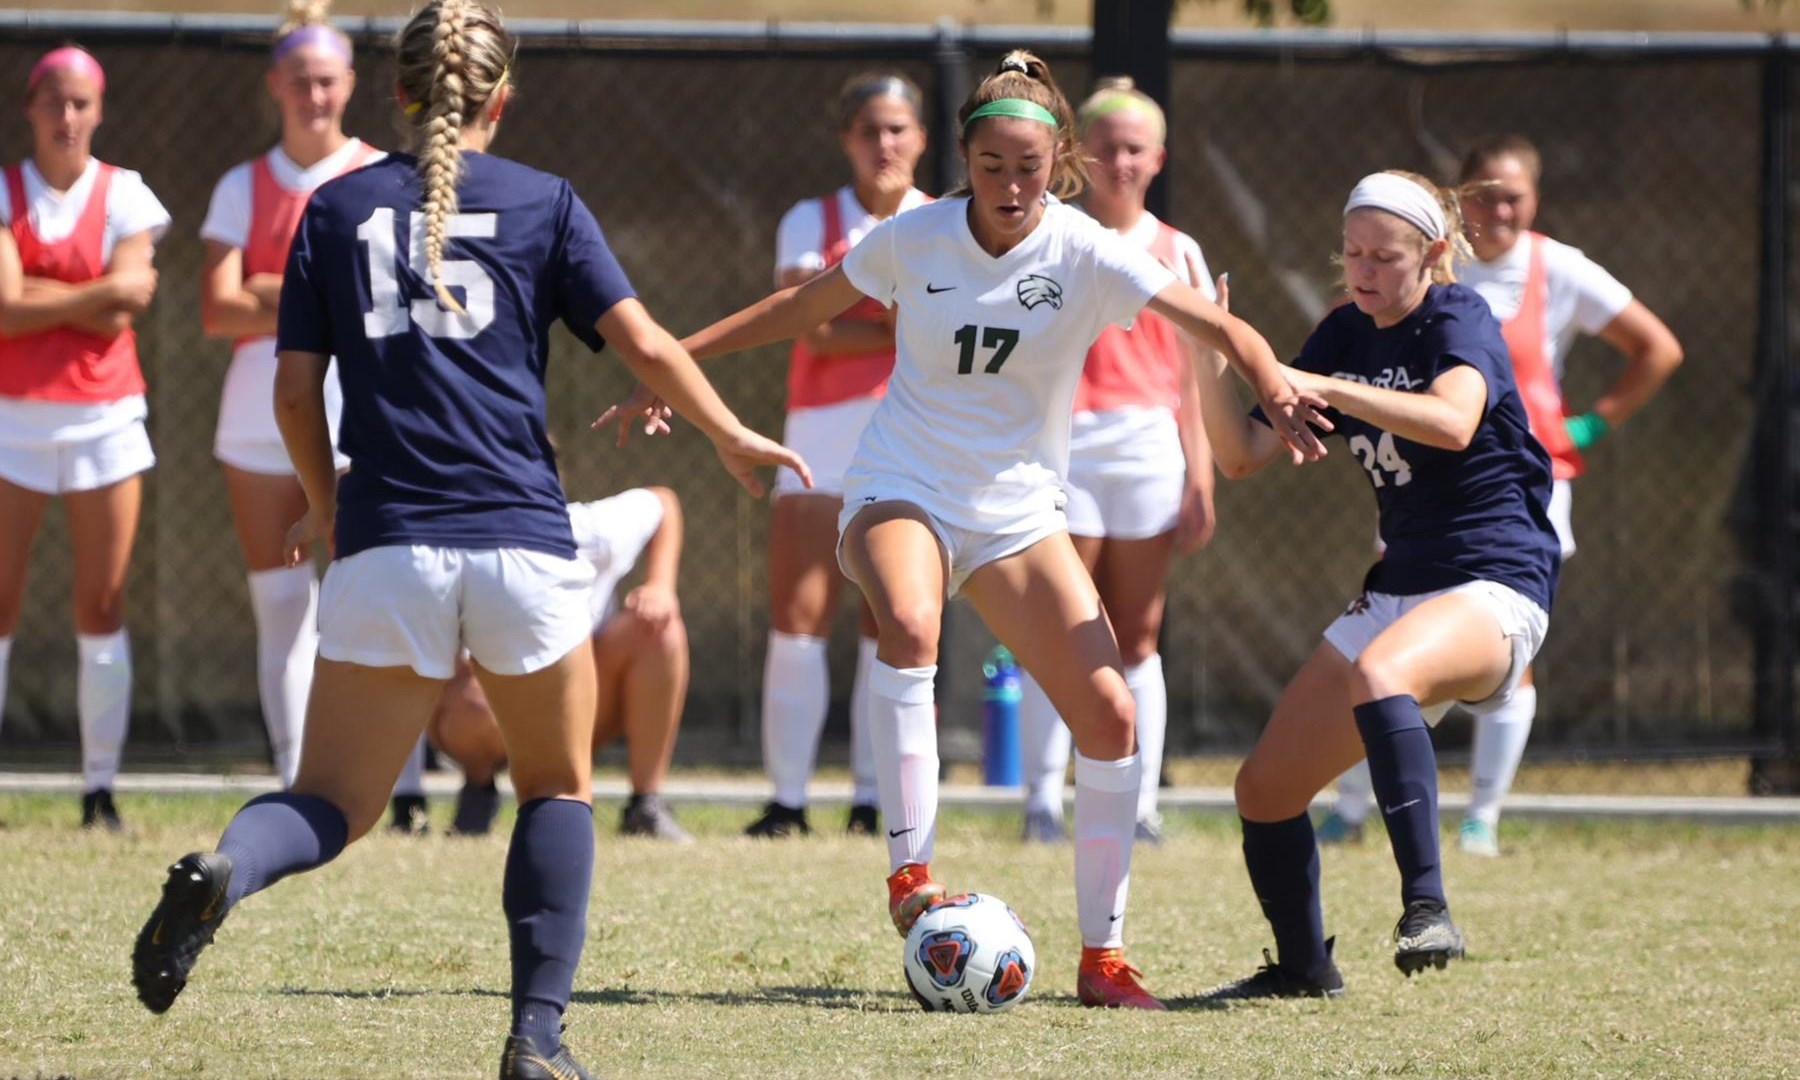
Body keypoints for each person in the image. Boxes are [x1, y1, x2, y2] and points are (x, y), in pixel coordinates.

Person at [128, 5, 806, 1077]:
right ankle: (537, 1037)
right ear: (502, 98)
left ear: (397, 94)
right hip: (522, 545)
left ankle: (228, 871)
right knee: (557, 789)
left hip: (389, 540)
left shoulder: (332, 206)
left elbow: (293, 392)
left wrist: (325, 503)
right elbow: (644, 341)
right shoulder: (547, 201)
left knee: (328, 803)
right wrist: (729, 434)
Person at [642, 50, 1325, 1010]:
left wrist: (1274, 381)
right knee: (909, 621)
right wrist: (668, 361)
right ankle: (910, 874)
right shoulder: (914, 236)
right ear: (963, 161)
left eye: (1029, 167)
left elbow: (1220, 327)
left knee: (1112, 714)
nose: (1010, 184)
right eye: (992, 165)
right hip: (903, 483)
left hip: (1019, 510)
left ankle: (1105, 960)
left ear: (1060, 164)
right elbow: (800, 307)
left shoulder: (1086, 249)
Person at [1197, 171, 1559, 999]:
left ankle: (1427, 906)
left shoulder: (1457, 316)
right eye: (1352, 252)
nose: (1362, 269)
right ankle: (1303, 969)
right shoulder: (1344, 331)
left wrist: (1321, 385)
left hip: (1495, 580)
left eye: (1384, 256)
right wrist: (1205, 351)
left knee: (1382, 671)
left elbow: (1453, 421)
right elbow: (1241, 456)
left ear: (1433, 253)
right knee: (1266, 788)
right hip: (1400, 584)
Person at [1318, 137, 1682, 857]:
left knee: (1504, 655)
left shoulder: (1557, 267)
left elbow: (1658, 347)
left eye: (1515, 196)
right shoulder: (1406, 277)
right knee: (1391, 646)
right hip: (1422, 487)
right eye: (1484, 195)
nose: (1500, 210)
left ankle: (1481, 817)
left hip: (1516, 492)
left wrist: (1588, 424)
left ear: (1536, 200)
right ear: (1452, 211)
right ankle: (1352, 805)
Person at [0, 45, 170, 832]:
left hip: (107, 419)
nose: (66, 117)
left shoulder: (128, 194)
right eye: (53, 102)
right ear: (30, 109)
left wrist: (47, 292)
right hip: (10, 420)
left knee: (102, 605)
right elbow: (3, 308)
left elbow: (125, 310)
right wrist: (98, 289)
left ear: (98, 111)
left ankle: (99, 793)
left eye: (80, 103)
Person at [1016, 77, 1218, 847]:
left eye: (1136, 148)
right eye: (1105, 147)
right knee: (1057, 626)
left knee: (1137, 635)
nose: (1121, 161)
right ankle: (1041, 800)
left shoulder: (1179, 250)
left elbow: (1195, 376)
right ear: (1077, 155)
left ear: (1158, 159)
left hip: (1147, 455)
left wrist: (1200, 475)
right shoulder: (1051, 233)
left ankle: (1137, 804)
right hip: (1062, 450)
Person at [199, 0, 382, 788]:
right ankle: (295, 782)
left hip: (363, 412)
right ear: (276, 84)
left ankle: (398, 781)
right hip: (257, 416)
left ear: (351, 84)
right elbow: (218, 308)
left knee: (375, 595)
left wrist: (270, 288)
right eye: (301, 81)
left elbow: (386, 296)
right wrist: (322, 292)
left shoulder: (380, 173)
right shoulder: (241, 185)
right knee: (282, 607)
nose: (315, 96)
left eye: (328, 81)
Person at [745, 72, 930, 840]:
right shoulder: (809, 219)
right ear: (847, 139)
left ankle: (870, 798)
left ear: (922, 137)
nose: (884, 143)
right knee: (799, 616)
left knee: (890, 619)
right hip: (819, 434)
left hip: (911, 434)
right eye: (869, 130)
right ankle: (787, 801)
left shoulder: (944, 219)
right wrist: (898, 317)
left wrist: (874, 313)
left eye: (898, 128)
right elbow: (813, 329)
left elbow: (935, 329)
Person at [428, 486, 695, 843]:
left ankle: (645, 804)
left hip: (581, 701)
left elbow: (663, 502)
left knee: (661, 629)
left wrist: (661, 585)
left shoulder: (583, 529)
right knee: (467, 693)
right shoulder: (469, 537)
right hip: (496, 710)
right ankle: (479, 786)